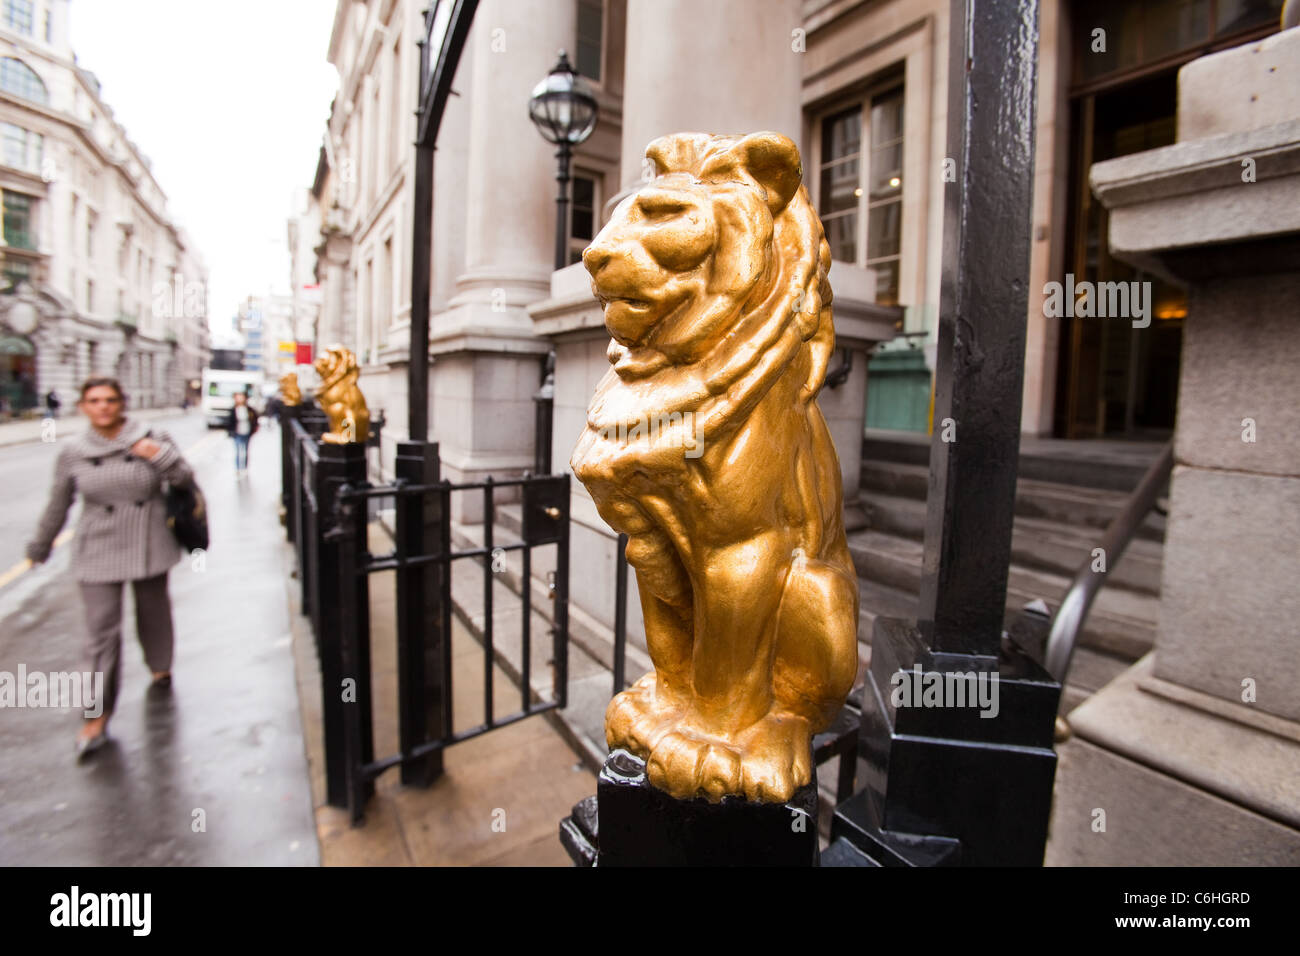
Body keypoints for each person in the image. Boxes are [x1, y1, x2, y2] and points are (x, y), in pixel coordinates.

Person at [25, 377, 194, 758]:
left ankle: (160, 665)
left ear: (123, 403)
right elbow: (59, 503)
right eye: (95, 400)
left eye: (110, 400)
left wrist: (159, 455)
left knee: (153, 611)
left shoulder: (153, 435)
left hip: (148, 537)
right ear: (83, 406)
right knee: (99, 633)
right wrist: (40, 545)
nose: (103, 407)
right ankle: (95, 716)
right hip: (98, 545)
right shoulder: (73, 451)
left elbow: (183, 478)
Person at [222, 390, 259, 476]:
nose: (239, 399)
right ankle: (238, 469)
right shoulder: (233, 410)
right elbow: (229, 422)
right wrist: (230, 432)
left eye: (241, 397)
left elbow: (255, 419)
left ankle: (245, 468)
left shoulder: (249, 409)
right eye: (238, 397)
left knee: (245, 451)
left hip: (247, 432)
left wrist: (254, 428)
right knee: (238, 451)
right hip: (237, 433)